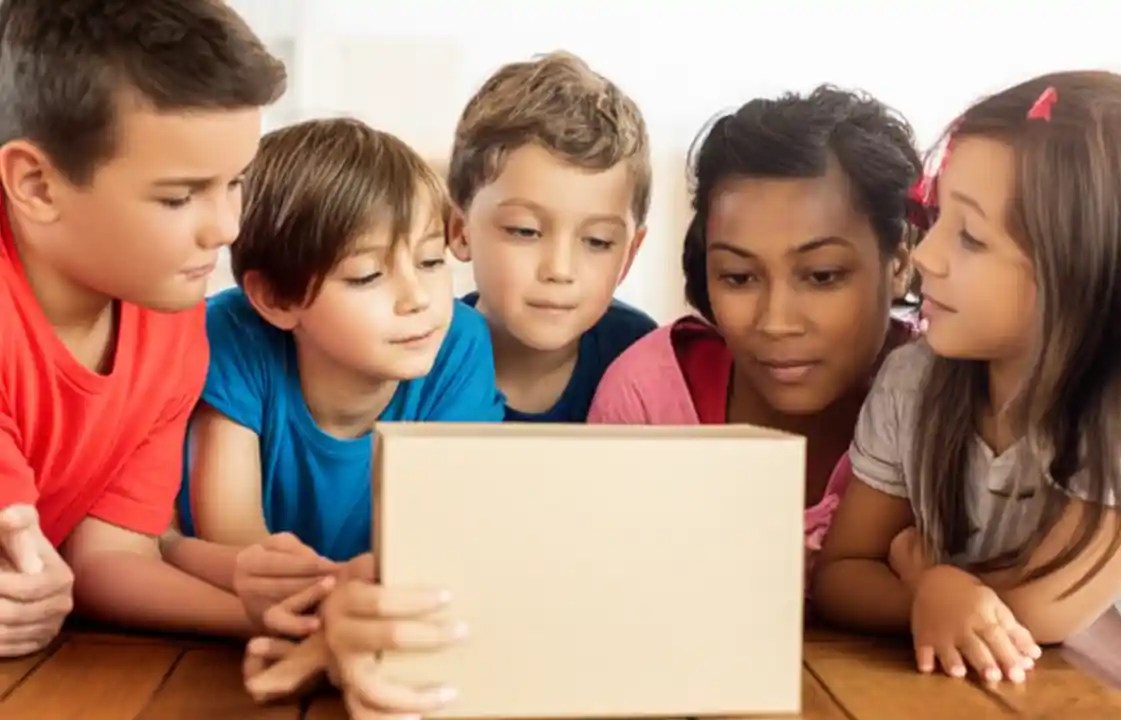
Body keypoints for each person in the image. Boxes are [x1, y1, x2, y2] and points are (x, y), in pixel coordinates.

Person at [812, 72, 1121, 720]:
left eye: (971, 237)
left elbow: (1038, 608)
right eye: (937, 218)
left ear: (1093, 268)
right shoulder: (915, 381)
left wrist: (924, 573)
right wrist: (929, 593)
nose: (926, 256)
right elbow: (842, 573)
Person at [0, 0, 287, 652]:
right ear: (37, 184)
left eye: (236, 183)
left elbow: (110, 554)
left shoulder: (171, 313)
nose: (227, 228)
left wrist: (290, 624)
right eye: (179, 197)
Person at [175, 118, 504, 628]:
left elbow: (449, 536)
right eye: (368, 275)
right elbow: (236, 541)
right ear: (276, 298)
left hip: (380, 618)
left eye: (430, 261)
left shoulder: (458, 343)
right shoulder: (232, 335)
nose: (417, 298)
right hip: (249, 620)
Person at [589, 86, 920, 565]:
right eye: (739, 277)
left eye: (822, 276)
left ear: (899, 263)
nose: (776, 322)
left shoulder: (956, 398)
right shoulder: (649, 402)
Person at [447, 51, 657, 422]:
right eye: (525, 231)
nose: (559, 270)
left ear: (629, 253)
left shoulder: (641, 358)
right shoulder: (422, 354)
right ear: (459, 231)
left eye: (597, 241)